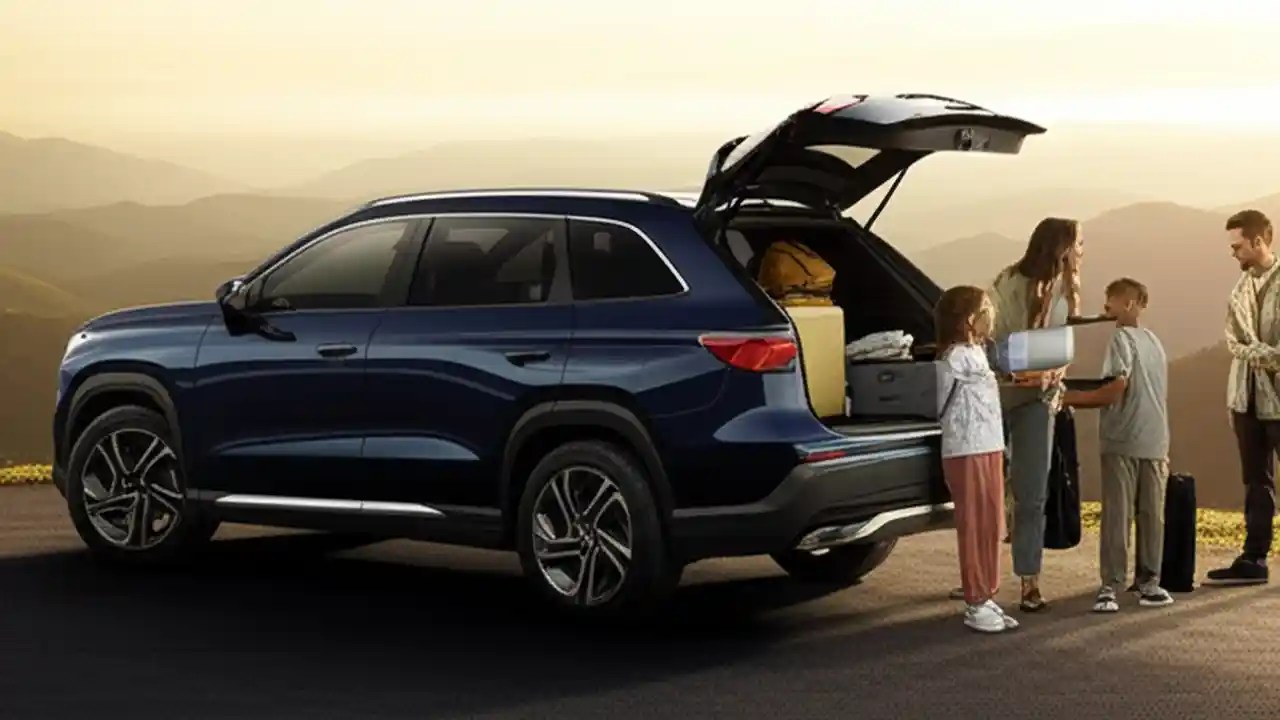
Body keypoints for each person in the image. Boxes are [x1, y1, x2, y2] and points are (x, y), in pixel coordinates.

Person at [985, 217, 1083, 612]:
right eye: (1079, 243)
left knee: (1032, 491)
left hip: (1039, 398)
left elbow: (1063, 343)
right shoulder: (1007, 282)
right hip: (999, 393)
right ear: (1062, 246)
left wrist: (1057, 369)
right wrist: (1022, 366)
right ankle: (979, 575)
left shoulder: (1066, 288)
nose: (1083, 250)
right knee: (989, 490)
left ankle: (1030, 580)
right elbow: (992, 340)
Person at [1071, 278, 1174, 611]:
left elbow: (1114, 390)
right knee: (1152, 515)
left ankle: (1110, 587)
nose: (1105, 310)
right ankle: (1150, 584)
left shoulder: (1120, 339)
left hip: (1123, 439)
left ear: (1128, 304)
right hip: (1156, 439)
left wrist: (1065, 399)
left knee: (1117, 515)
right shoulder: (1155, 341)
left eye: (1109, 303)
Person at [935, 285, 1019, 633]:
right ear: (969, 319)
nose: (991, 315)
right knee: (974, 525)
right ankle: (975, 600)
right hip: (966, 449)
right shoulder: (954, 358)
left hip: (988, 446)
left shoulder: (977, 353)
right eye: (986, 309)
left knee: (991, 523)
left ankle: (987, 594)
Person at [1207, 209, 1279, 586]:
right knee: (1255, 480)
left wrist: (1265, 355)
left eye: (1237, 246)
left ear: (1258, 241)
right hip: (1245, 399)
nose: (1233, 253)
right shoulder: (1239, 290)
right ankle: (1254, 557)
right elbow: (1233, 340)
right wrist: (1261, 354)